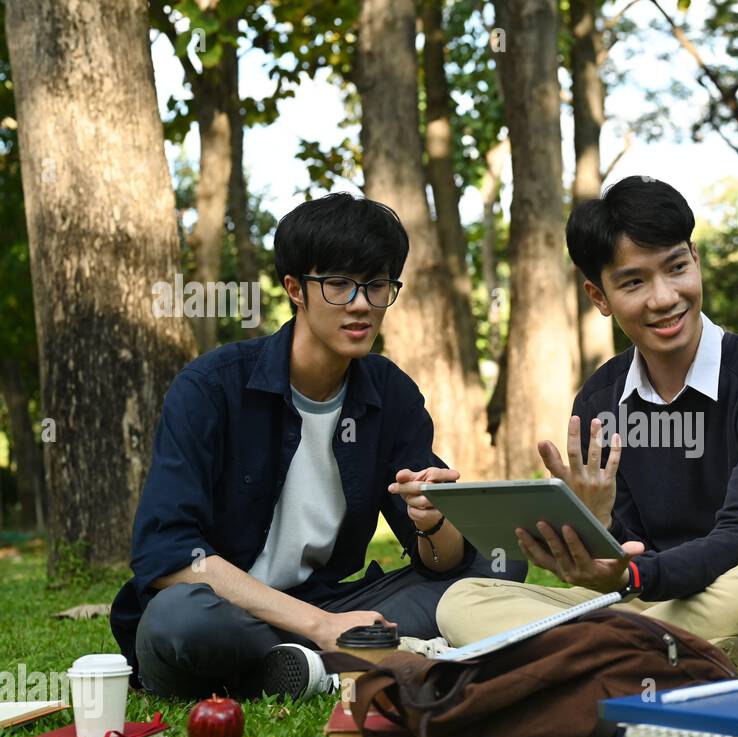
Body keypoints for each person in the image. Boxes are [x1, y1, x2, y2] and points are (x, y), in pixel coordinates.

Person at [109, 192, 525, 701]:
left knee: (498, 565)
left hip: (332, 602)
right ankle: (338, 656)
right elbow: (169, 555)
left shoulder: (390, 394)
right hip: (229, 609)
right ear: (295, 289)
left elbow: (439, 563)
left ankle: (299, 667)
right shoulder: (210, 388)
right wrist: (320, 625)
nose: (362, 305)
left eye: (376, 286)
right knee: (180, 621)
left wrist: (434, 522)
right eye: (338, 285)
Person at [435, 176, 738, 679]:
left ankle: (581, 654)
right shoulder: (600, 399)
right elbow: (619, 554)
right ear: (599, 297)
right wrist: (596, 525)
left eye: (676, 268)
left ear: (696, 261)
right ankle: (684, 656)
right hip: (639, 601)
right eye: (634, 282)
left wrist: (633, 574)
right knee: (464, 599)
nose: (664, 298)